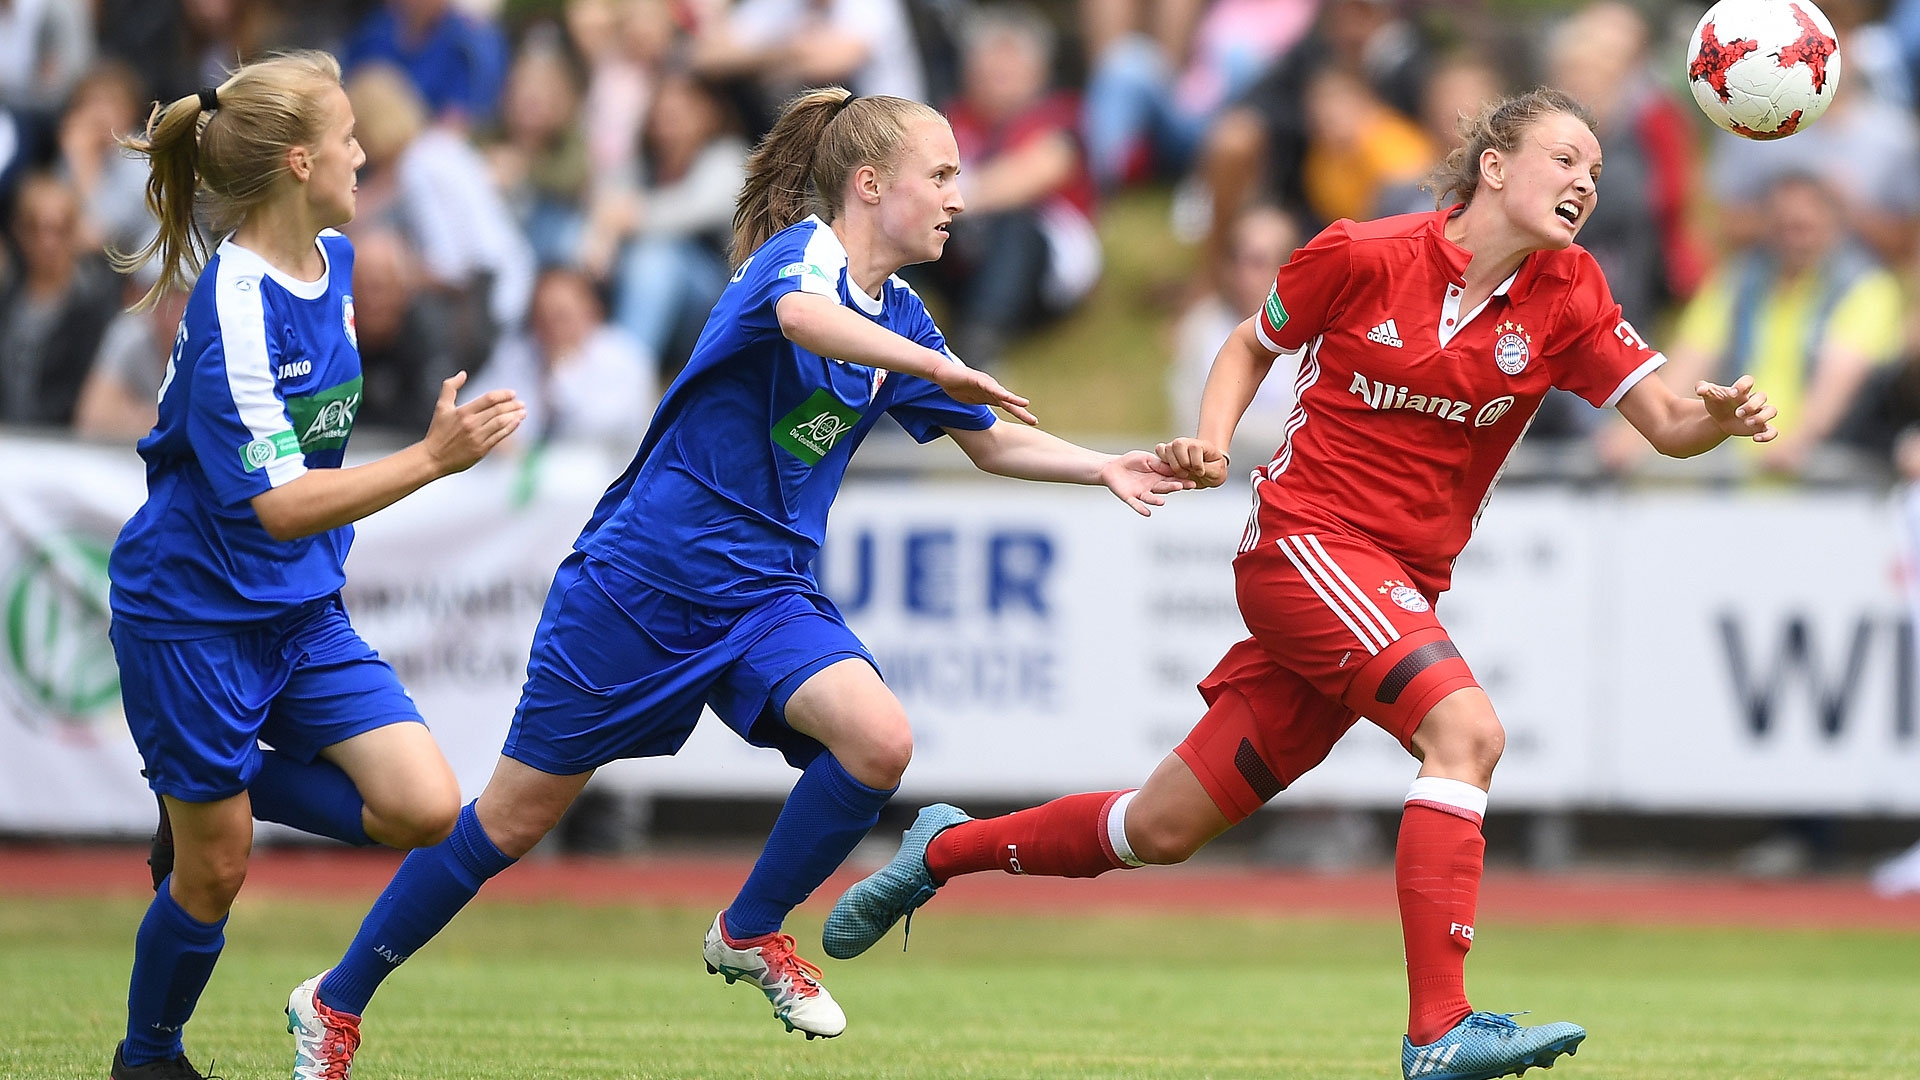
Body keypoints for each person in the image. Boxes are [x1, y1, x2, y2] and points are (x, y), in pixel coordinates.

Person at [826, 88, 1779, 1080]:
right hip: (1304, 548)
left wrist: (1722, 414)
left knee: (1157, 828)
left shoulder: (1568, 293)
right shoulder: (1364, 254)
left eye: (1594, 167)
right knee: (1469, 736)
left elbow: (1668, 424)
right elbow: (1248, 343)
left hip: (1393, 583)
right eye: (1564, 158)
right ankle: (1437, 1029)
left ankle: (942, 851)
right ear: (1494, 164)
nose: (1585, 180)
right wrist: (1209, 436)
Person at [282, 85, 1190, 1073]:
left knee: (880, 740)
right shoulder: (804, 258)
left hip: (764, 595)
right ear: (870, 182)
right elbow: (805, 322)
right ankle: (333, 1000)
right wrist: (934, 370)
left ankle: (750, 930)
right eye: (942, 175)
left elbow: (989, 442)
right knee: (509, 822)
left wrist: (1103, 465)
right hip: (641, 583)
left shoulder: (903, 318)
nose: (958, 198)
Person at [100, 51, 526, 1080]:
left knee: (426, 807)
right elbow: (281, 503)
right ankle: (146, 1057)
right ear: (299, 162)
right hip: (192, 615)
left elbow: (301, 484)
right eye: (347, 139)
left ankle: (210, 784)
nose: (363, 153)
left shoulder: (331, 265)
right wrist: (430, 459)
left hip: (295, 611)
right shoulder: (234, 303)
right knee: (216, 873)